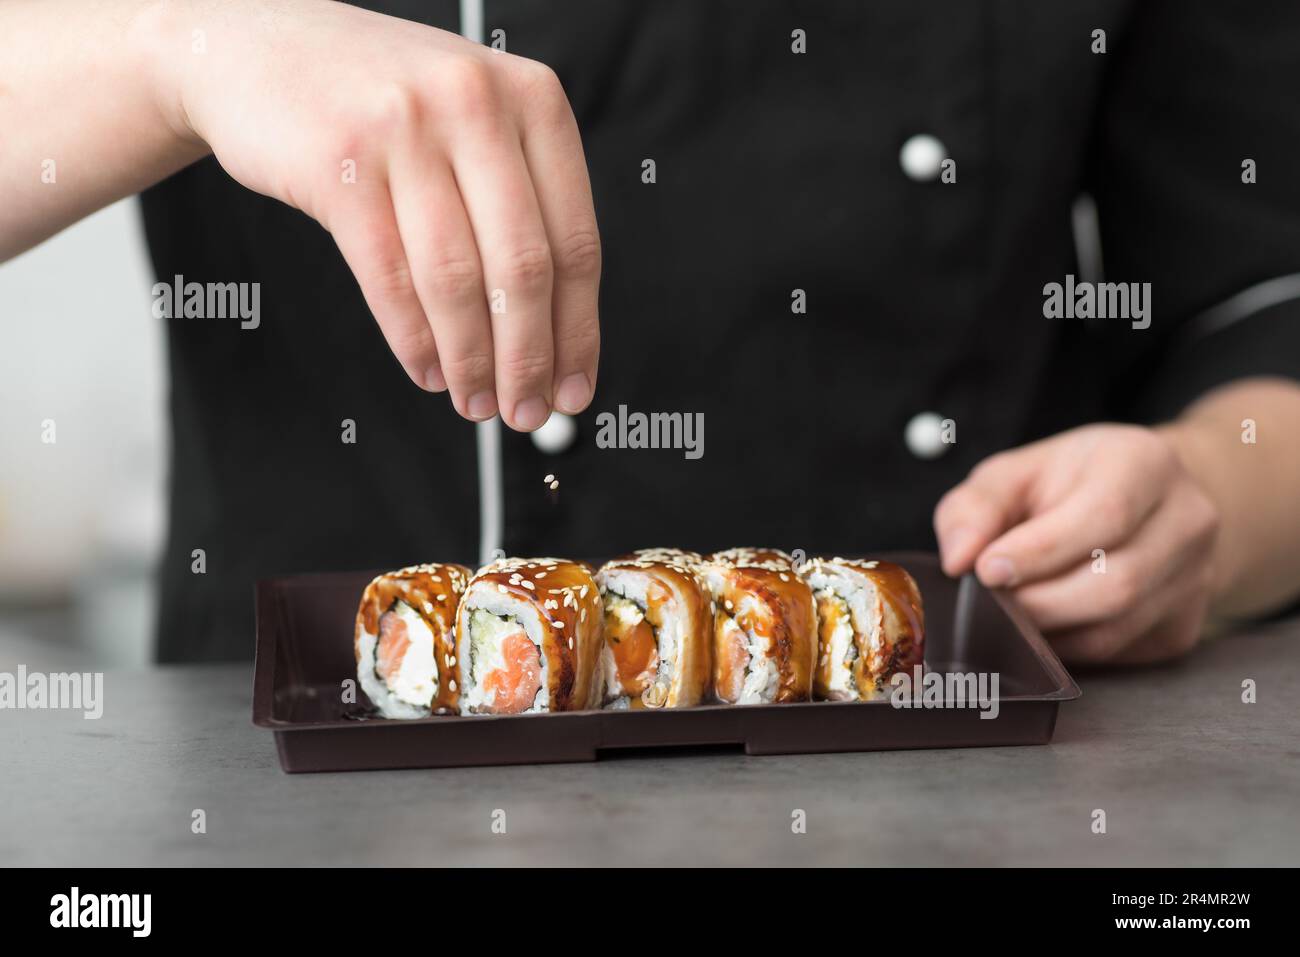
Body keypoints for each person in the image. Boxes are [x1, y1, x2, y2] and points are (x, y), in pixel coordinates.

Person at [3, 0, 1299, 666]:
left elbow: (1261, 304)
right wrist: (167, 47)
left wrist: (1207, 502)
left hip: (949, 767)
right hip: (302, 785)